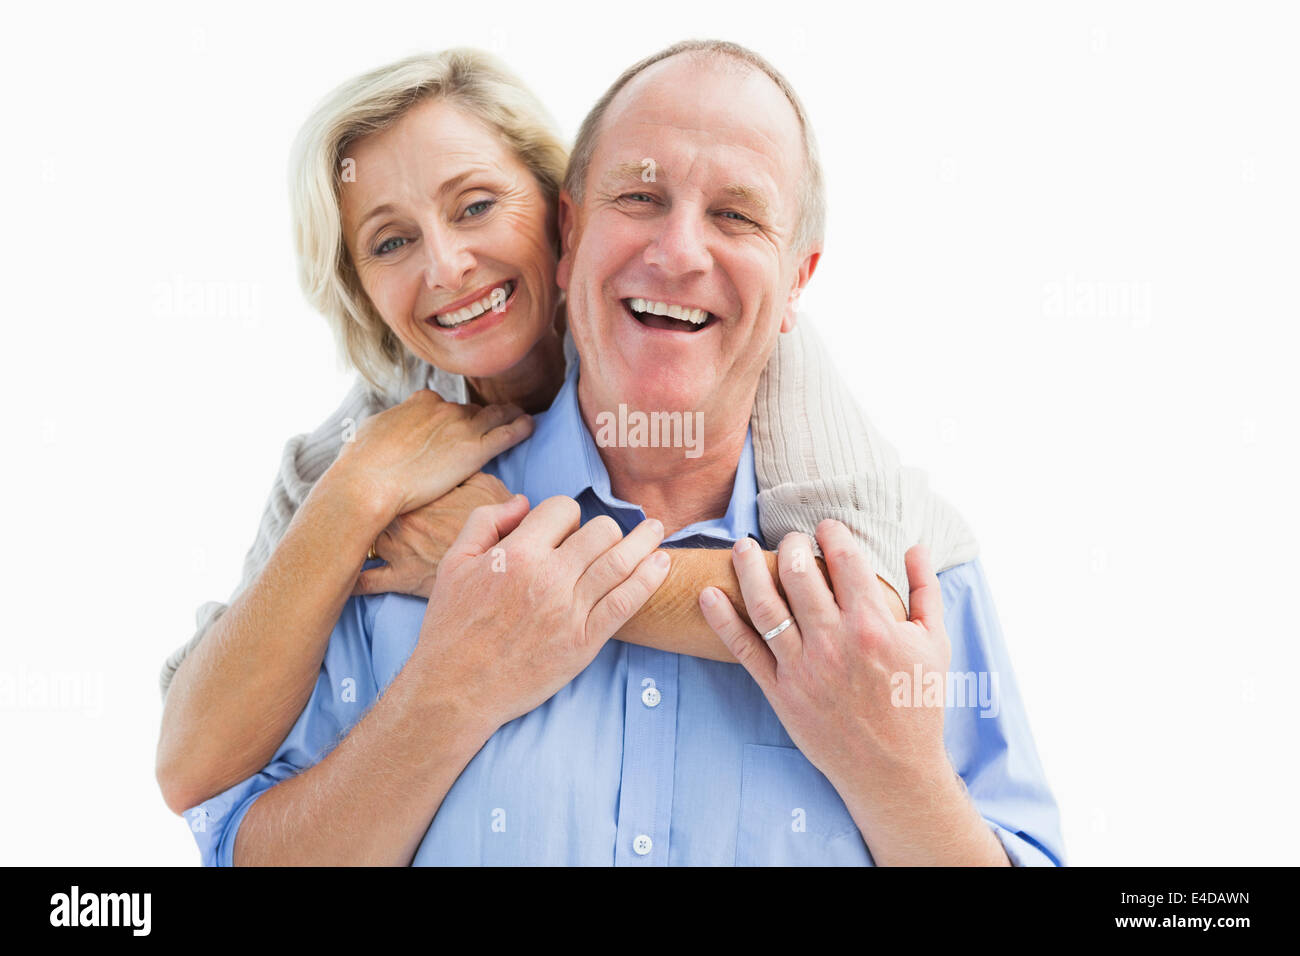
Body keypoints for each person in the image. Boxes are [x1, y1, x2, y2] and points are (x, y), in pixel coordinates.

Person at [183, 39, 1064, 866]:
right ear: (573, 233)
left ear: (798, 280)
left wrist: (897, 775)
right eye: (640, 198)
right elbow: (210, 795)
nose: (679, 250)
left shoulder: (911, 570)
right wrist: (442, 696)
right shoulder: (384, 527)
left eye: (736, 214)